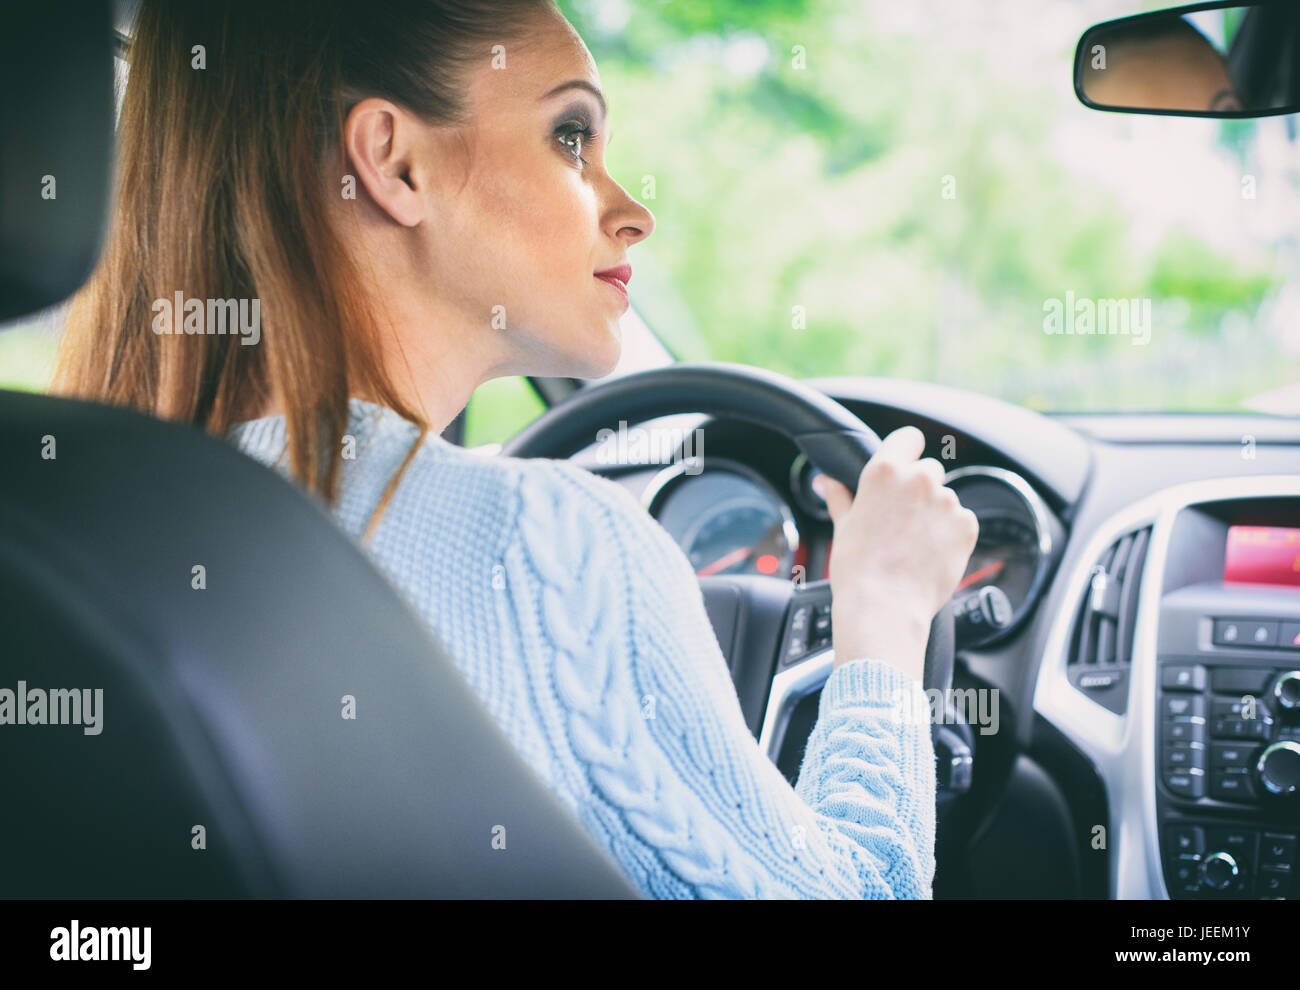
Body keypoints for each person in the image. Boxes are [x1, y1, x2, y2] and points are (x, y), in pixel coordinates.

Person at [52, 0, 978, 898]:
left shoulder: (67, 537)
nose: (632, 212)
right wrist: (887, 616)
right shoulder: (548, 553)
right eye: (571, 136)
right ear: (393, 161)